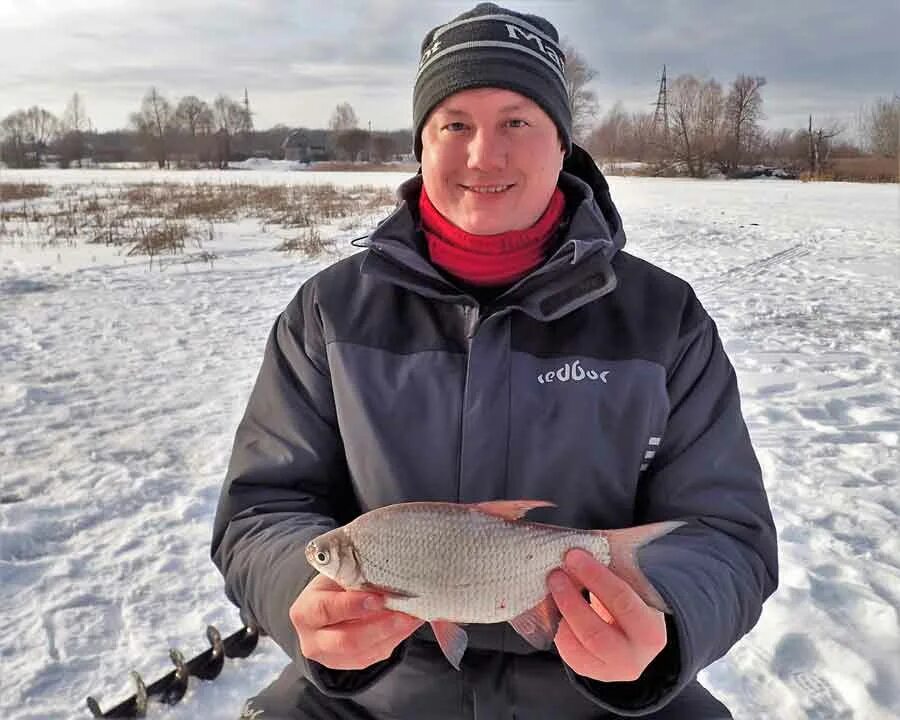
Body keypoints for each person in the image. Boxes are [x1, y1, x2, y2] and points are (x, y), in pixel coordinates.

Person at [211, 3, 778, 718]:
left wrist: (660, 628)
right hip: (379, 685)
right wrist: (306, 596)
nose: (484, 155)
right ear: (421, 142)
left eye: (517, 121)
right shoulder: (328, 314)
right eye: (454, 124)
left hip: (599, 693)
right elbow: (262, 507)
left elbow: (725, 532)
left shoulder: (664, 319)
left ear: (563, 143)